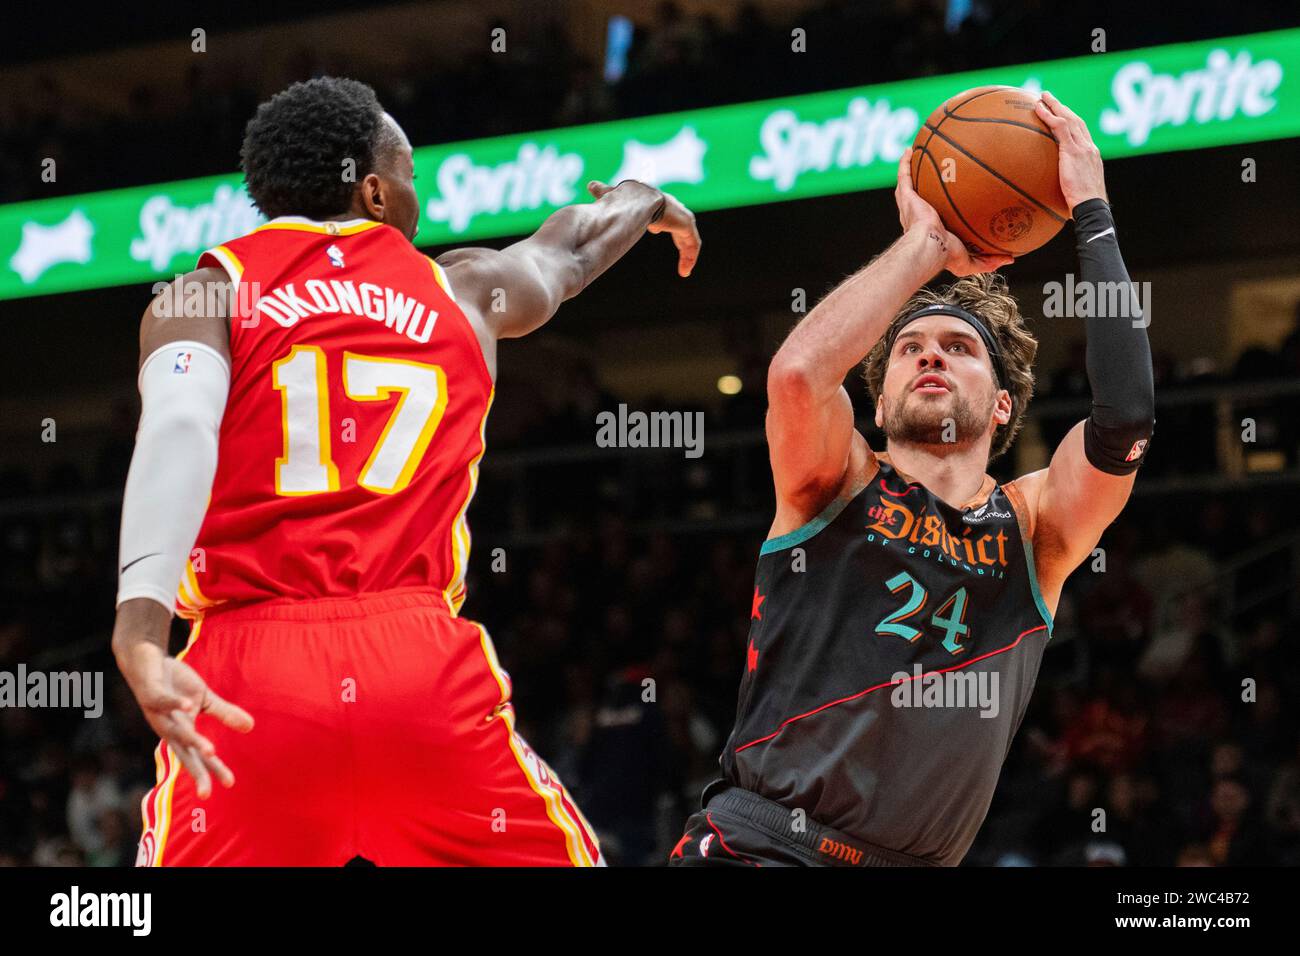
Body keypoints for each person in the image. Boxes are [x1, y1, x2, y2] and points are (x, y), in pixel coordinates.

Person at [111, 77, 700, 866]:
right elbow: (570, 251)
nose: (418, 195)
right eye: (412, 175)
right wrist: (641, 195)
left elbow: (178, 427)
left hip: (248, 680)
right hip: (417, 670)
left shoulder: (199, 296)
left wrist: (139, 634)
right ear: (375, 190)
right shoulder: (462, 288)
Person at [671, 92, 1153, 866]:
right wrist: (926, 245)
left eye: (957, 347)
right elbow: (797, 376)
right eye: (909, 348)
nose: (930, 354)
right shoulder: (836, 479)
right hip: (767, 847)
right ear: (880, 397)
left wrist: (1091, 210)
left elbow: (1125, 417)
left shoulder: (1035, 528)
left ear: (1001, 406)